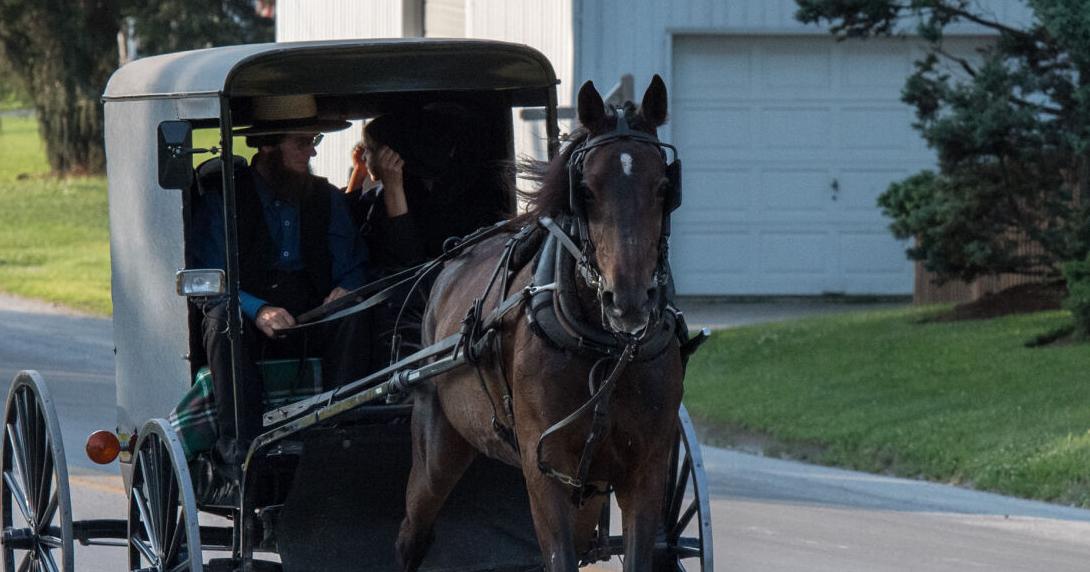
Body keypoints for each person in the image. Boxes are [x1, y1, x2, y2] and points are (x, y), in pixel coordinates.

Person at [189, 94, 370, 485]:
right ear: (268, 145)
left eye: (314, 142)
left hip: (313, 311)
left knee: (359, 313)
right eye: (301, 143)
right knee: (223, 321)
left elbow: (354, 264)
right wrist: (258, 309)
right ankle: (241, 451)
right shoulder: (224, 199)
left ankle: (342, 437)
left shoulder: (326, 198)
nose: (310, 153)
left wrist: (346, 288)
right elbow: (210, 279)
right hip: (249, 315)